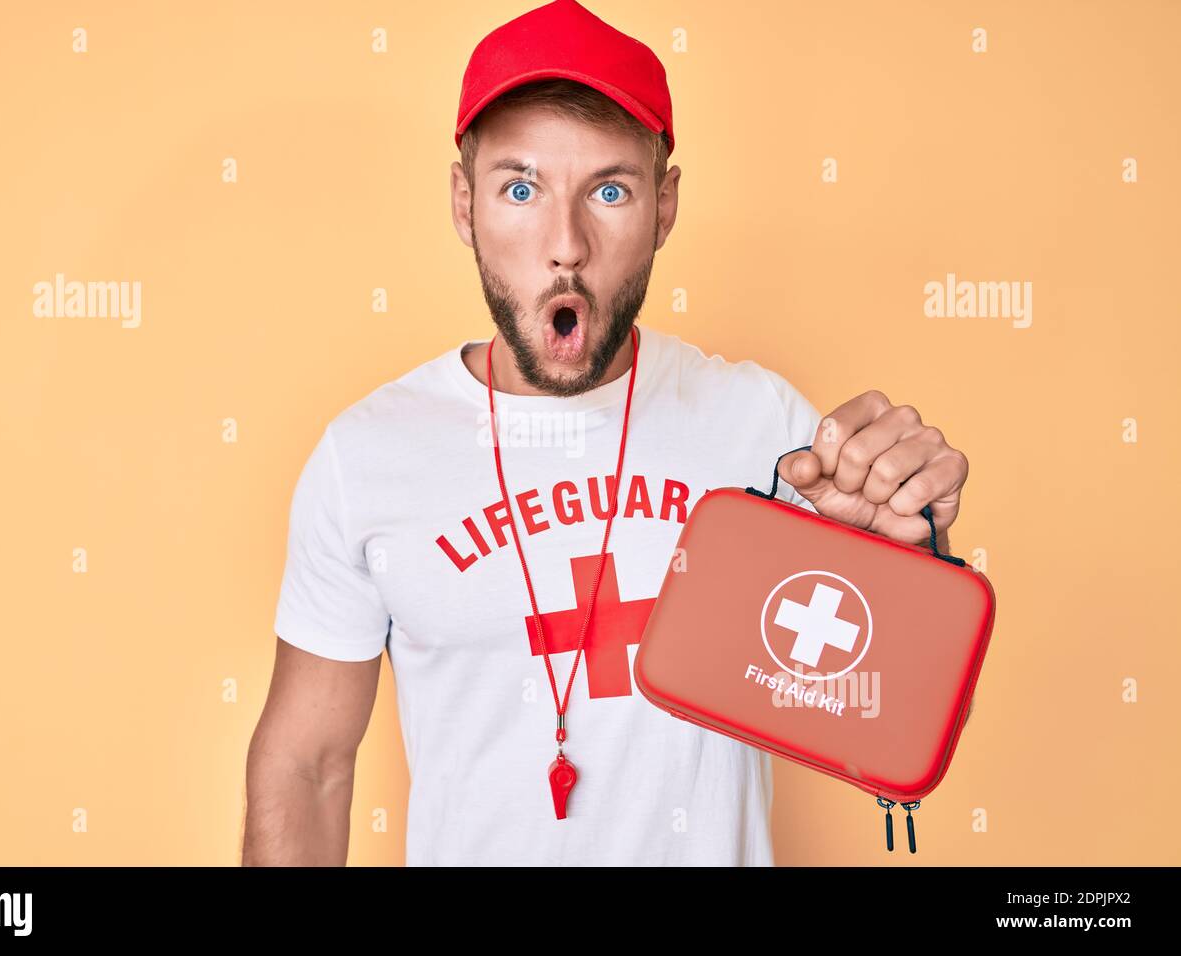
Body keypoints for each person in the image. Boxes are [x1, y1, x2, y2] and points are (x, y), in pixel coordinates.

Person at [243, 0, 969, 866]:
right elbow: (307, 766)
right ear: (463, 203)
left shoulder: (765, 429)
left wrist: (907, 566)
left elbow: (878, 708)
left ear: (664, 207)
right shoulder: (366, 459)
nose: (566, 246)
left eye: (611, 191)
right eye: (520, 187)